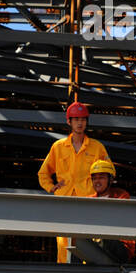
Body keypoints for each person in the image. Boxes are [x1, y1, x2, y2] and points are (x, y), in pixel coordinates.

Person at [38, 101, 110, 262]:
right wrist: (52, 188)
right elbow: (43, 173)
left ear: (87, 122)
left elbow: (109, 172)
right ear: (69, 122)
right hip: (64, 202)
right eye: (76, 119)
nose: (80, 123)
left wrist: (99, 190)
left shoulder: (97, 148)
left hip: (89, 202)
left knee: (90, 241)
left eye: (83, 119)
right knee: (64, 243)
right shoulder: (58, 147)